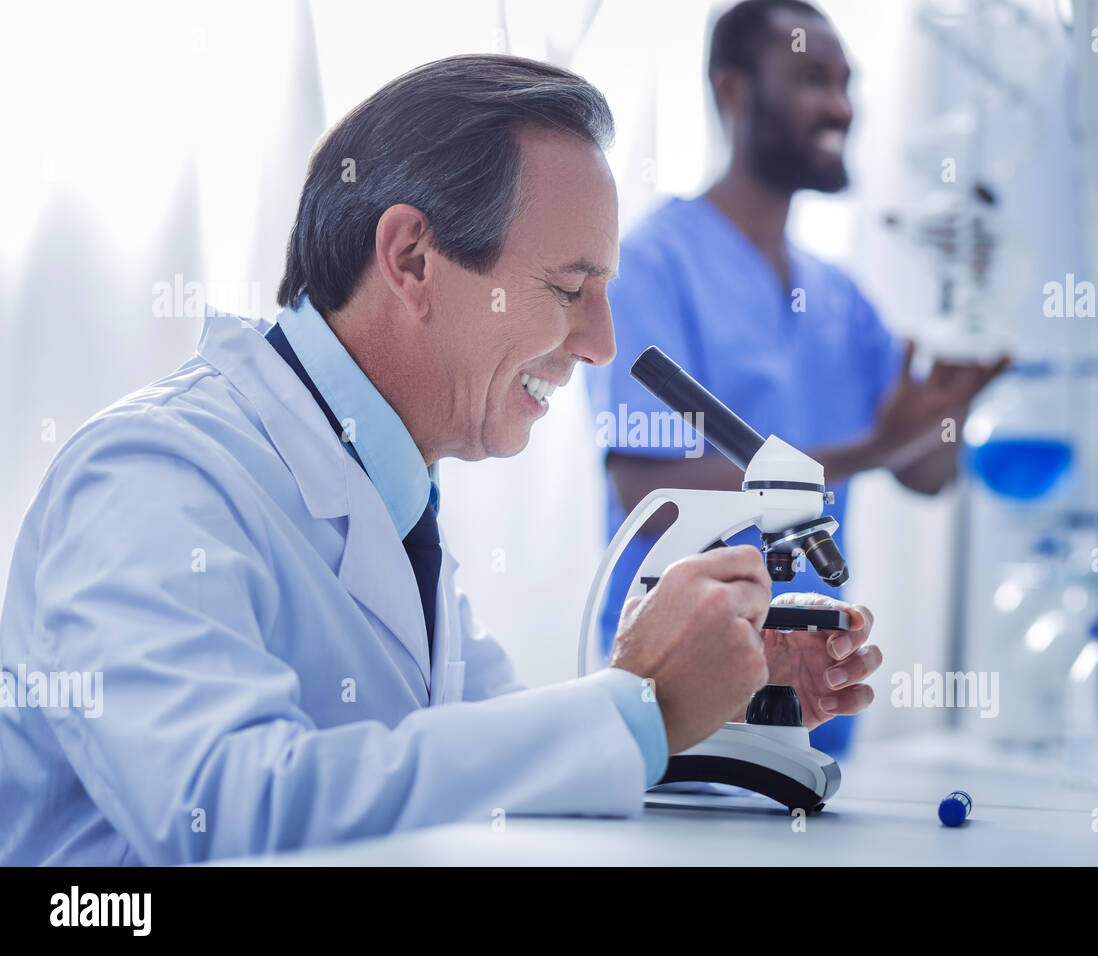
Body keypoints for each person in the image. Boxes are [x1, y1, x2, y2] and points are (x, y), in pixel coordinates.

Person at [0, 55, 882, 865]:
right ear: (413, 258)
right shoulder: (156, 477)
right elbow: (227, 816)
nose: (602, 344)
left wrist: (713, 705)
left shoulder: (392, 498)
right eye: (570, 289)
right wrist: (637, 703)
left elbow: (495, 767)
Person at [585, 0, 1005, 756]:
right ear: (732, 91)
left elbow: (929, 472)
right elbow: (645, 499)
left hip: (815, 713)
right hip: (680, 715)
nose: (841, 106)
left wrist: (955, 398)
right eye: (813, 79)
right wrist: (875, 449)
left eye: (847, 83)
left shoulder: (840, 299)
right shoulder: (653, 266)